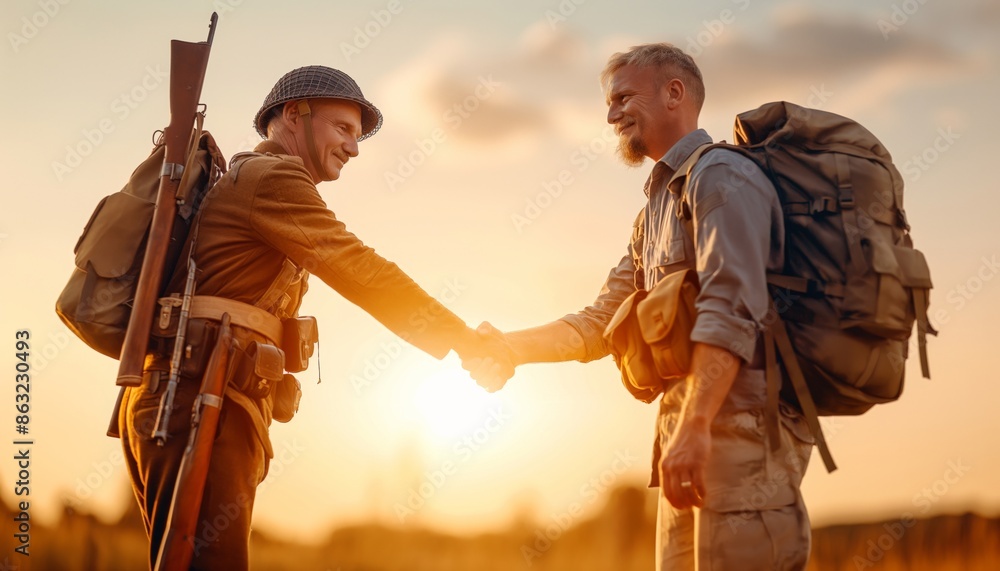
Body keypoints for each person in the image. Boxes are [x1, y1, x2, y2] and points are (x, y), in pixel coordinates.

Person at [115, 65, 510, 569]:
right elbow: (361, 270)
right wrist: (463, 339)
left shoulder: (251, 178)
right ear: (293, 114)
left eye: (357, 134)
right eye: (342, 128)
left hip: (188, 395)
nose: (354, 147)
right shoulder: (273, 177)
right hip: (199, 399)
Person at [463, 44, 816, 569]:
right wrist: (508, 348)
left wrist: (696, 426)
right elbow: (601, 322)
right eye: (610, 103)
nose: (611, 115)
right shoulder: (652, 213)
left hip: (743, 436)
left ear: (674, 93)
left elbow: (733, 306)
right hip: (684, 440)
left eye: (624, 97)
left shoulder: (721, 176)